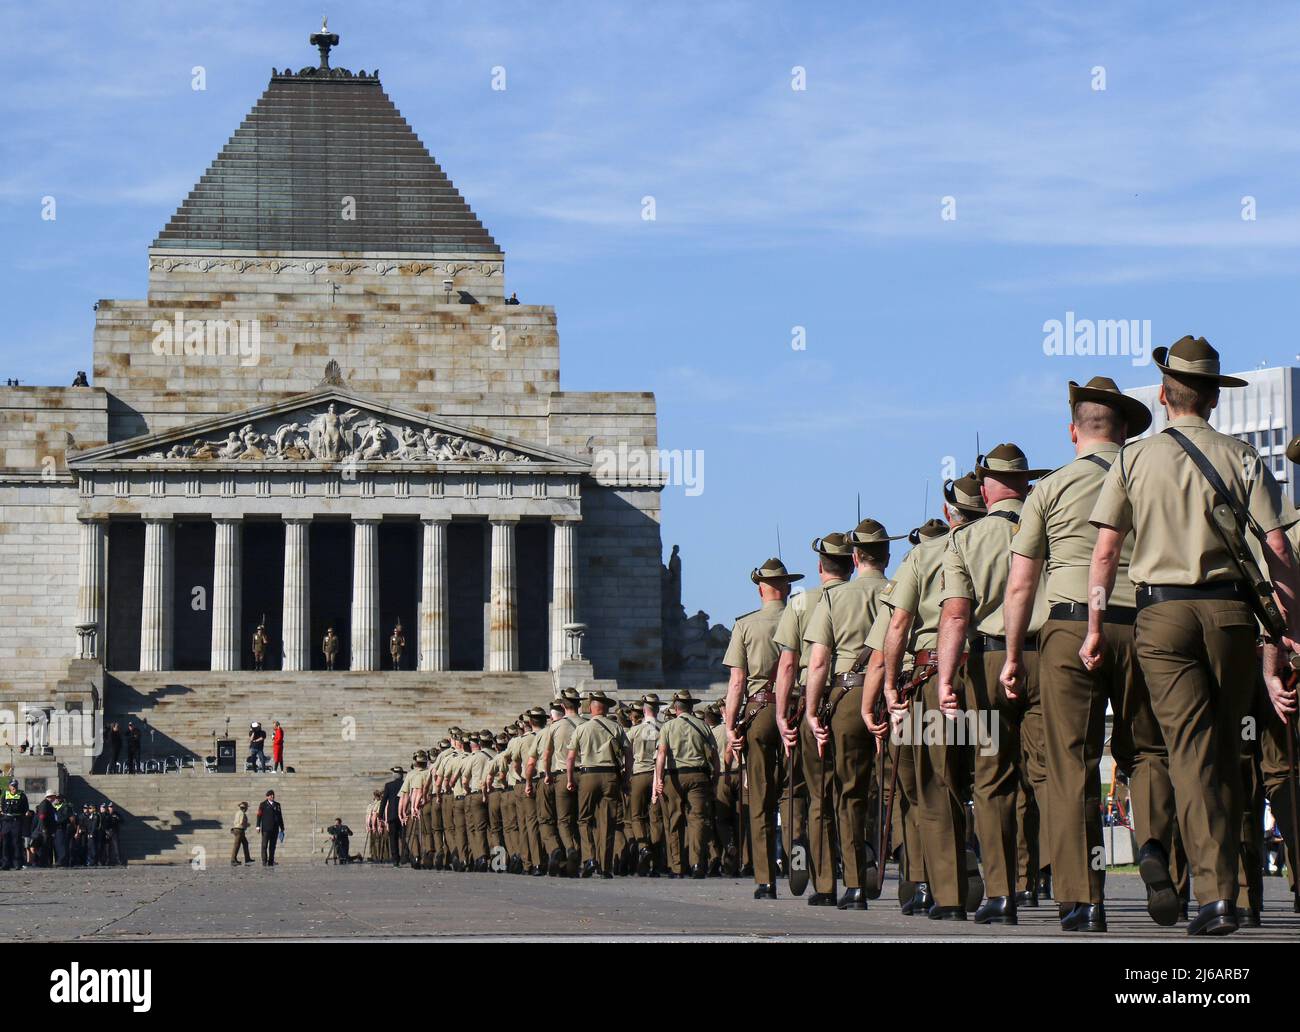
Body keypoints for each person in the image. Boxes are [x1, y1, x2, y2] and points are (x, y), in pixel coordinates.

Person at [1085, 336, 1300, 936]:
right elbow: (1276, 546)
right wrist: (1290, 630)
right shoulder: (1241, 457)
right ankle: (1220, 887)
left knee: (1187, 748)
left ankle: (1199, 885)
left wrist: (1098, 626)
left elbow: (1105, 554)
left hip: (1161, 614)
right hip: (1230, 619)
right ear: (1212, 398)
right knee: (1225, 749)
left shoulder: (1131, 459)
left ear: (1162, 394)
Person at [1001, 376, 1182, 933]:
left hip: (1070, 625)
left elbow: (1020, 586)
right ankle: (1152, 846)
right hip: (1146, 621)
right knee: (1149, 749)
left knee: (1069, 761)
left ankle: (1083, 899)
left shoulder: (1051, 488)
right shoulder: (1149, 479)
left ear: (1073, 429)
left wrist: (1013, 656)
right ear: (1126, 430)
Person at [938, 442, 1051, 926]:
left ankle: (1001, 893)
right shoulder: (1050, 525)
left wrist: (946, 680)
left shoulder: (963, 540)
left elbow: (956, 615)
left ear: (984, 489)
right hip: (1048, 655)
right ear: (1026, 483)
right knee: (1056, 775)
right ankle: (1078, 895)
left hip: (987, 662)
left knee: (992, 779)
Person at [805, 518, 900, 909]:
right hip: (899, 696)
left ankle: (857, 884)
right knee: (907, 789)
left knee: (850, 793)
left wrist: (812, 711)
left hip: (849, 695)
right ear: (888, 557)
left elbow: (818, 662)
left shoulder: (833, 598)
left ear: (855, 556)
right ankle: (920, 884)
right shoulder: (902, 589)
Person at [723, 557, 802, 900]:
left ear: (760, 589)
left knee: (760, 797)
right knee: (794, 792)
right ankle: (798, 862)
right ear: (786, 588)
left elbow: (737, 682)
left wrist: (730, 726)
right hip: (796, 709)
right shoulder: (802, 618)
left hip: (758, 712)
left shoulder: (745, 625)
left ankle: (765, 880)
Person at [653, 690, 719, 878]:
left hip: (674, 777)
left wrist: (658, 779)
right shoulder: (703, 726)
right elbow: (714, 756)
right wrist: (715, 779)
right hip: (699, 776)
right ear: (691, 707)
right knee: (698, 820)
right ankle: (697, 863)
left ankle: (677, 866)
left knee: (674, 820)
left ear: (675, 708)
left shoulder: (667, 727)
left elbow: (661, 755)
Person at [565, 689, 631, 878]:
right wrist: (626, 778)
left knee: (584, 819)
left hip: (588, 775)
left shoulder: (582, 728)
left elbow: (570, 758)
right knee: (607, 822)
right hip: (610, 776)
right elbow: (628, 754)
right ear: (605, 708)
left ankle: (590, 857)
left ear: (591, 708)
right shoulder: (616, 727)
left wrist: (570, 779)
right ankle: (605, 867)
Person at [378, 766, 405, 868]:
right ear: (402, 775)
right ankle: (405, 857)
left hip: (392, 814)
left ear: (394, 775)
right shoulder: (404, 784)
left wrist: (380, 815)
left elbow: (384, 800)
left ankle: (395, 860)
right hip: (403, 814)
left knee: (393, 838)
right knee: (403, 837)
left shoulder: (388, 785)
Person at [0, 779, 28, 870]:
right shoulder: (5, 795)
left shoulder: (22, 796)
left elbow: (25, 808)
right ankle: (6, 863)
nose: (14, 788)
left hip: (17, 820)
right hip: (6, 820)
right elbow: (3, 807)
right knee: (5, 843)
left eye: (15, 786)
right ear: (9, 786)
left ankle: (17, 863)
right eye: (12, 786)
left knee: (16, 842)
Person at [256, 789, 285, 866]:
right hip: (266, 828)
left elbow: (280, 816)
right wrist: (258, 826)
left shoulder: (277, 805)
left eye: (273, 795)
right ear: (267, 796)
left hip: (275, 828)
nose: (272, 796)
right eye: (270, 795)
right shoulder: (262, 804)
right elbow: (259, 815)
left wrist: (282, 827)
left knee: (272, 846)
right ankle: (264, 861)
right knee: (264, 845)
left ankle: (271, 861)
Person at [231, 801, 252, 866]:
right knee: (236, 845)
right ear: (245, 808)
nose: (247, 809)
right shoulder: (242, 814)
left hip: (237, 829)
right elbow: (241, 822)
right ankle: (233, 860)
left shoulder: (238, 812)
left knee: (245, 843)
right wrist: (247, 824)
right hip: (239, 830)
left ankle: (247, 858)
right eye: (246, 808)